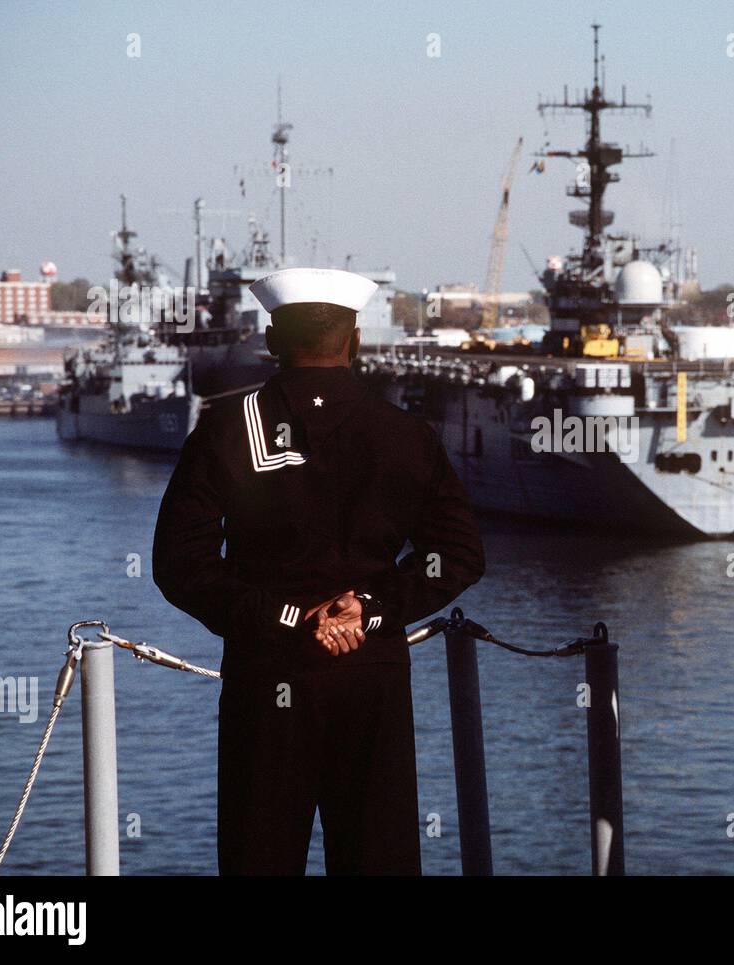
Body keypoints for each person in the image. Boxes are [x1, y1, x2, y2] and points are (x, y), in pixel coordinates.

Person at [153, 267, 486, 874]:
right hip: (372, 679)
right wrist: (371, 608)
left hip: (266, 680)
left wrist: (286, 618)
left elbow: (181, 564)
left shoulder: (224, 432)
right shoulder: (408, 436)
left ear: (272, 341)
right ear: (355, 342)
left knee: (259, 859)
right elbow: (457, 555)